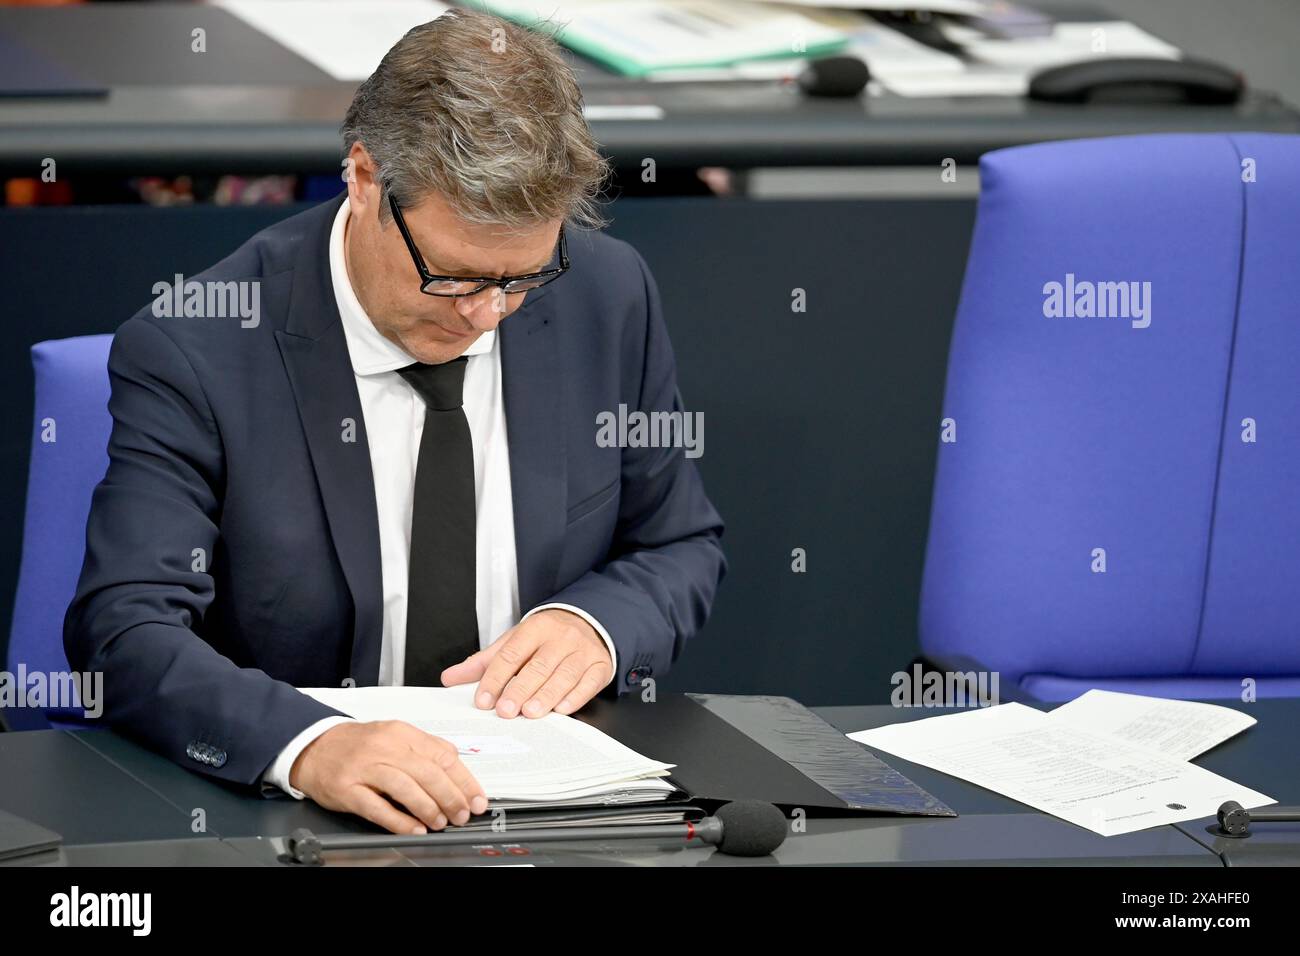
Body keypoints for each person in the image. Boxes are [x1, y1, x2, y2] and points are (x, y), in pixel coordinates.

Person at [64, 9, 725, 836]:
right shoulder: (196, 350)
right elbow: (124, 631)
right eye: (453, 276)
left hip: (549, 808)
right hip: (304, 822)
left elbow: (677, 543)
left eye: (523, 278)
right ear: (365, 179)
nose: (489, 314)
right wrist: (304, 745)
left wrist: (596, 625)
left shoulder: (606, 293)